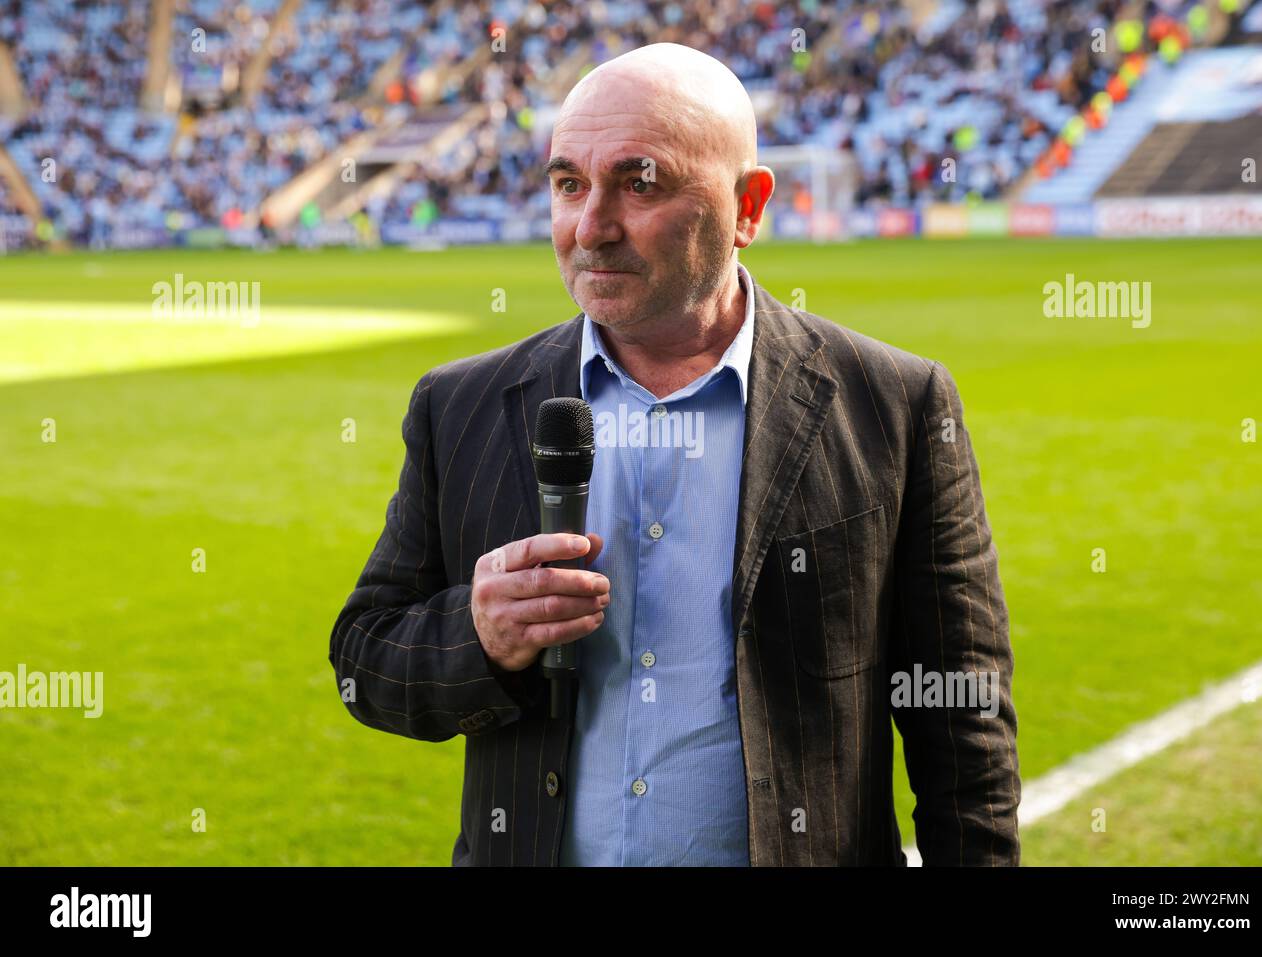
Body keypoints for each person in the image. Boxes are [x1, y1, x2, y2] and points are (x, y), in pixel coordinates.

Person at [329, 42, 1020, 866]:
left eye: (640, 182)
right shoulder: (462, 405)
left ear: (748, 208)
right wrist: (477, 634)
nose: (591, 227)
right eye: (568, 184)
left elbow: (963, 726)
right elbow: (363, 659)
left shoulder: (894, 405)